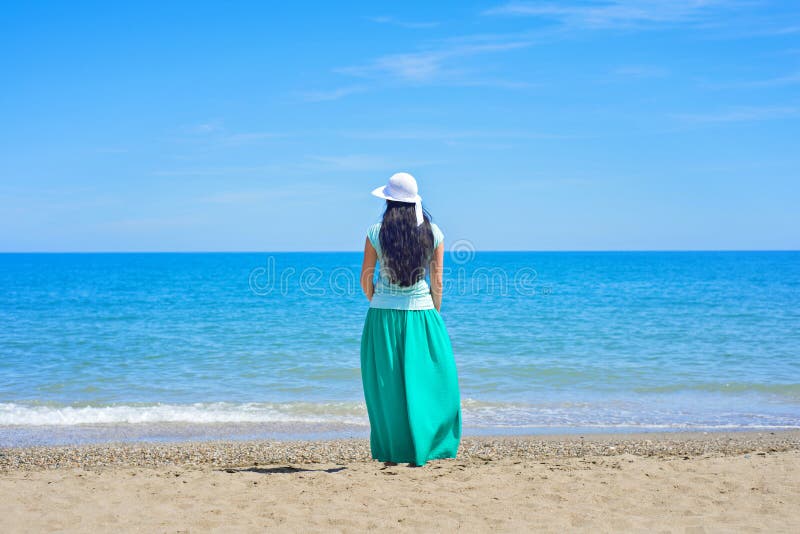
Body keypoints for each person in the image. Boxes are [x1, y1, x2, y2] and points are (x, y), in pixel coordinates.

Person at [359, 172, 462, 467]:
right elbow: (437, 283)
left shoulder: (375, 232)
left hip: (382, 317)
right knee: (429, 383)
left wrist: (380, 300)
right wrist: (434, 318)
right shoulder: (434, 233)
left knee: (387, 389)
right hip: (422, 314)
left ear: (389, 202)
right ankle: (428, 446)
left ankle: (394, 451)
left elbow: (366, 279)